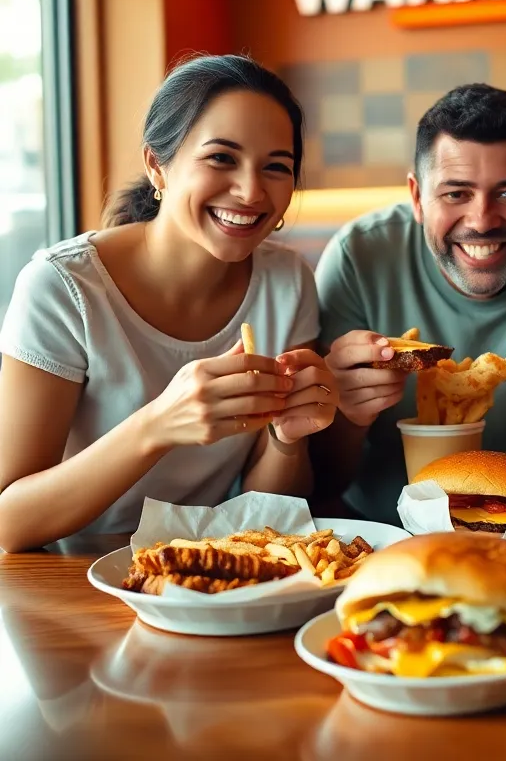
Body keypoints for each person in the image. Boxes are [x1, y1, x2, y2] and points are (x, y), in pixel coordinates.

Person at [0, 55, 339, 550]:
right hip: (70, 586)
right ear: (157, 165)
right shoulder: (62, 288)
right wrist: (158, 425)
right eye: (221, 158)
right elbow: (9, 521)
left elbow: (268, 510)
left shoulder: (286, 282)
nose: (250, 191)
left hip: (213, 574)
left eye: (276, 167)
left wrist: (286, 440)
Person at [313, 84, 506, 524]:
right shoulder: (358, 258)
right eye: (455, 194)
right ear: (416, 197)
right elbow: (319, 480)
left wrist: (505, 517)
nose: (482, 221)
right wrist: (346, 413)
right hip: (374, 536)